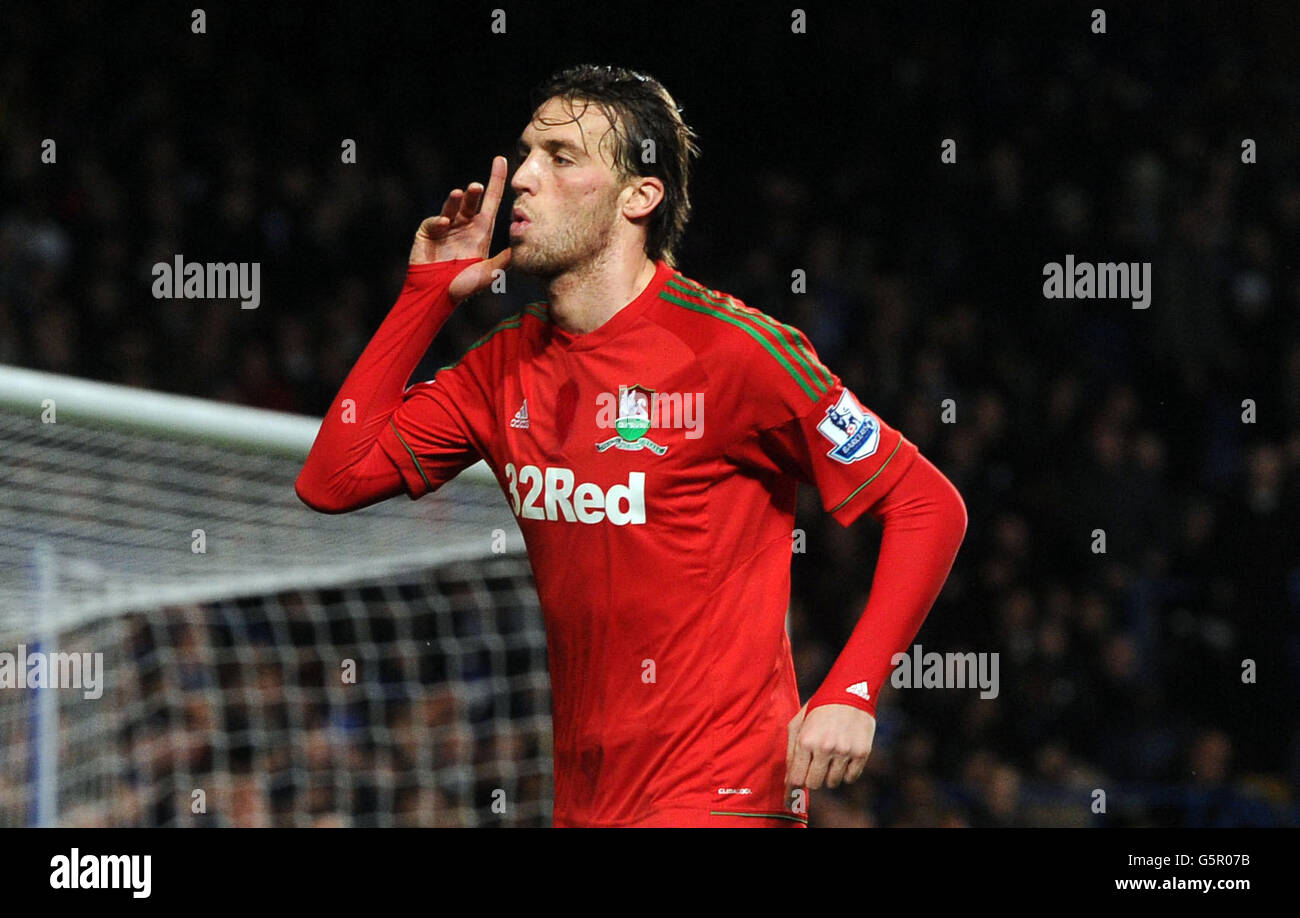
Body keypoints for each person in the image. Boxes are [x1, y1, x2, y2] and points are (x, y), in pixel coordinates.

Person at [296, 64, 967, 827]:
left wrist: (851, 690)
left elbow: (926, 504)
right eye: (526, 154)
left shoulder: (736, 351)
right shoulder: (503, 365)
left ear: (638, 197)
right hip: (588, 802)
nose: (522, 177)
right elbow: (333, 478)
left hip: (724, 794)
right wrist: (423, 299)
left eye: (560, 157)